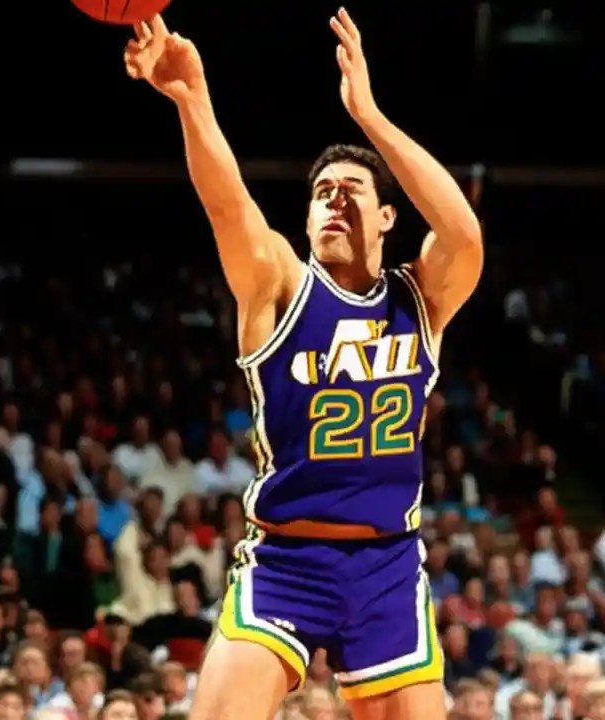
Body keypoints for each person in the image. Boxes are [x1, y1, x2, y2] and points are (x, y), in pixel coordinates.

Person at [122, 7, 483, 719]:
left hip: (386, 564)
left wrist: (370, 117)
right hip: (285, 558)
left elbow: (463, 232)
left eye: (352, 192)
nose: (334, 201)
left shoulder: (421, 298)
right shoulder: (280, 284)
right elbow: (228, 206)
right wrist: (193, 100)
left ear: (388, 217)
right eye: (321, 194)